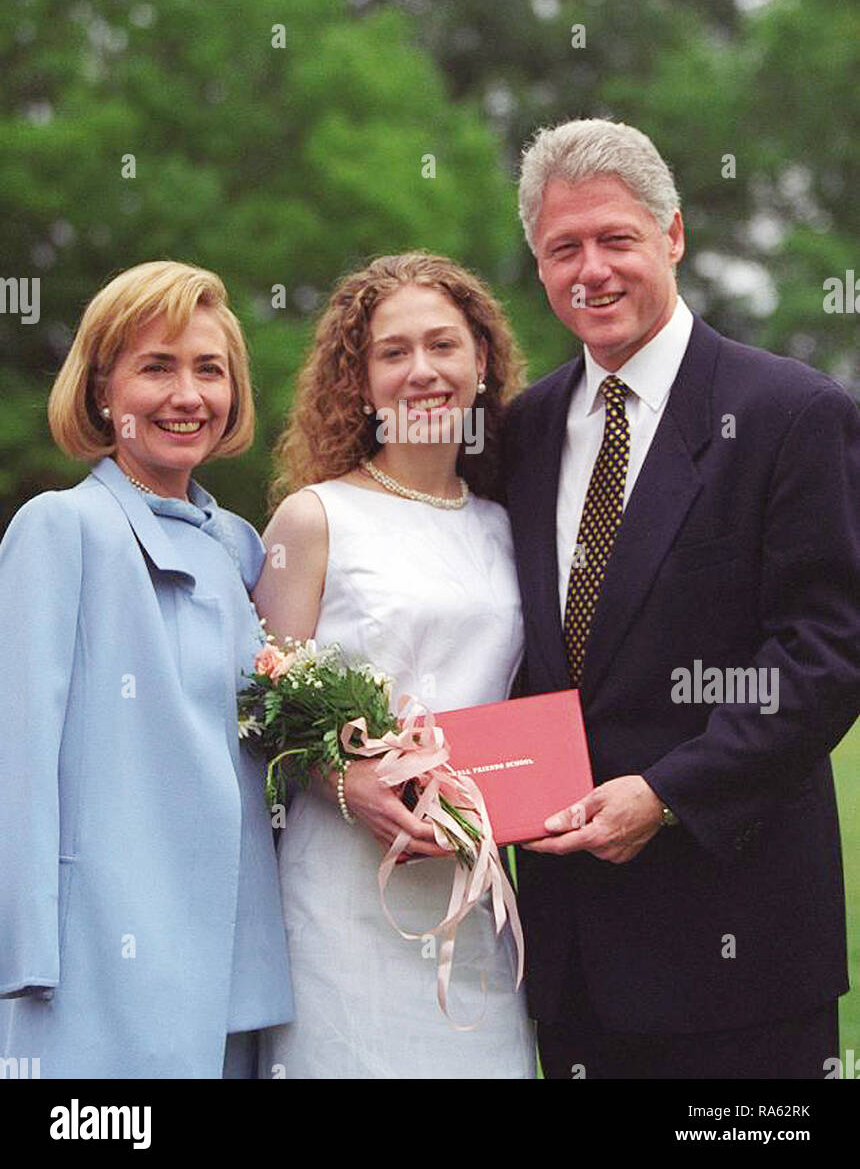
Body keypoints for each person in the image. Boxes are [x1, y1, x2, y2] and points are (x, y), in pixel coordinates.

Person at [504, 118, 859, 1080]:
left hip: (738, 945)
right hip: (571, 958)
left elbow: (827, 653)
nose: (593, 270)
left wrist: (667, 794)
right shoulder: (523, 432)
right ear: (539, 267)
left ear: (673, 236)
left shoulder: (794, 414)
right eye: (562, 248)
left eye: (616, 239)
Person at [0, 260, 293, 1078]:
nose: (188, 395)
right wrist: (23, 959)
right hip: (94, 967)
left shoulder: (238, 543)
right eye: (156, 367)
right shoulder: (59, 529)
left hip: (236, 973)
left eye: (210, 370)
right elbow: (16, 765)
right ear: (102, 391)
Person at [256, 252, 536, 1078]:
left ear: (480, 361)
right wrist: (350, 784)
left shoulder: (509, 525)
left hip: (472, 887)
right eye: (393, 352)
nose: (423, 371)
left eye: (444, 346)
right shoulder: (313, 519)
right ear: (362, 377)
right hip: (343, 888)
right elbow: (261, 705)